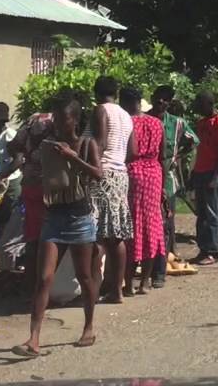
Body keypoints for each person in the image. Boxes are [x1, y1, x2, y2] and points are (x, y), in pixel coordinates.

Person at [12, 93, 103, 359]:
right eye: (56, 119)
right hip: (53, 216)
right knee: (43, 279)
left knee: (85, 277)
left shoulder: (87, 144)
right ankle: (33, 339)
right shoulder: (48, 145)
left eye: (64, 119)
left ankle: (88, 326)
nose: (58, 124)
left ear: (75, 120)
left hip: (79, 217)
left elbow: (98, 174)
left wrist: (72, 156)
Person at [88, 76, 135, 302]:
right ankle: (116, 290)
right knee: (116, 235)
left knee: (96, 234)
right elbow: (132, 151)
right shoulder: (126, 115)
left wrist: (88, 166)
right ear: (116, 94)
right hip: (120, 175)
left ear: (96, 93)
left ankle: (93, 290)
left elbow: (100, 143)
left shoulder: (100, 110)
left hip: (103, 173)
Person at [0, 109, 53, 293]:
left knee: (32, 237)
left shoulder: (32, 120)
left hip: (31, 186)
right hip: (55, 188)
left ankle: (31, 284)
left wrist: (28, 154)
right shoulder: (58, 122)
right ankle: (47, 285)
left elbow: (13, 147)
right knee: (51, 238)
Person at [120, 86, 164, 295]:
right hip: (154, 174)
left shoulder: (126, 123)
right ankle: (145, 282)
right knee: (151, 227)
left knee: (131, 227)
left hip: (132, 174)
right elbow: (163, 155)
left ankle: (128, 284)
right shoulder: (157, 123)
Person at [149, 88, 194, 287]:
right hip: (146, 175)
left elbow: (193, 140)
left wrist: (177, 156)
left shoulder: (177, 123)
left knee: (165, 223)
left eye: (165, 99)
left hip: (167, 178)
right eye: (158, 98)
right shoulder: (143, 119)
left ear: (169, 102)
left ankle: (159, 270)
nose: (161, 101)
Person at [190, 91, 218, 266]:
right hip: (200, 171)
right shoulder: (201, 123)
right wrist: (193, 173)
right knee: (201, 214)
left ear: (210, 104)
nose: (198, 108)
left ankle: (214, 251)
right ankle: (203, 249)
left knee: (213, 213)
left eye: (201, 104)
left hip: (212, 172)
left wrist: (217, 175)